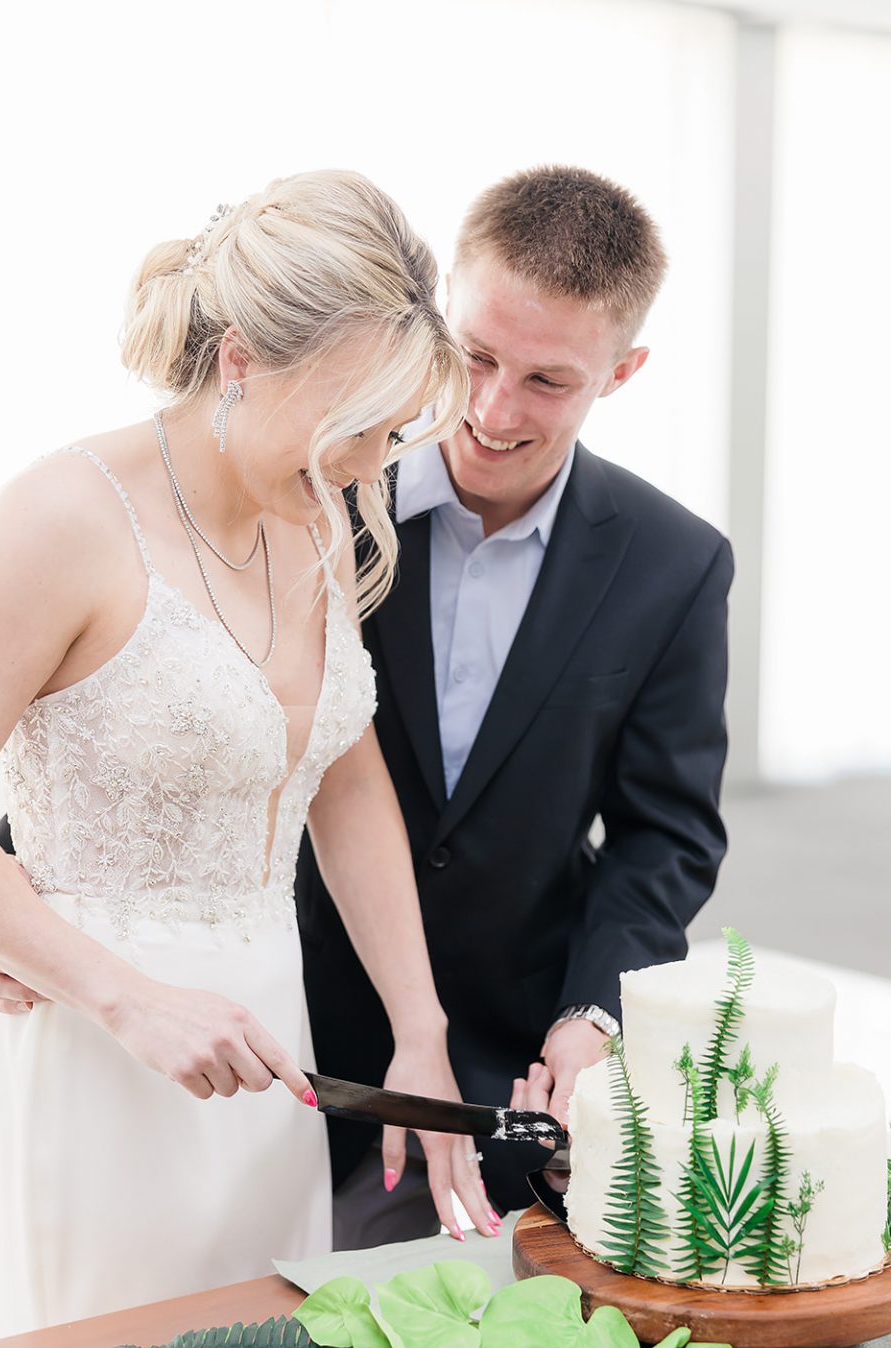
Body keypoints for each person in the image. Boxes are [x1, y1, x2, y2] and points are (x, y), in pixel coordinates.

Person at [0, 168, 499, 1348]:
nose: (373, 463)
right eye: (352, 426)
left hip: (259, 1048)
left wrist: (417, 1026)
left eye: (390, 432)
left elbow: (340, 774)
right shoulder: (59, 517)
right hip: (85, 1047)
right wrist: (123, 995)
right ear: (237, 359)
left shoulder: (321, 509)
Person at [297, 165, 733, 1241]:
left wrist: (592, 1017)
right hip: (279, 1017)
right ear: (440, 313)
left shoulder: (675, 565)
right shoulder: (317, 496)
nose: (491, 411)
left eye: (547, 380)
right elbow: (175, 695)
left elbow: (662, 836)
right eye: (476, 356)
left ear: (621, 372)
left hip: (510, 1064)